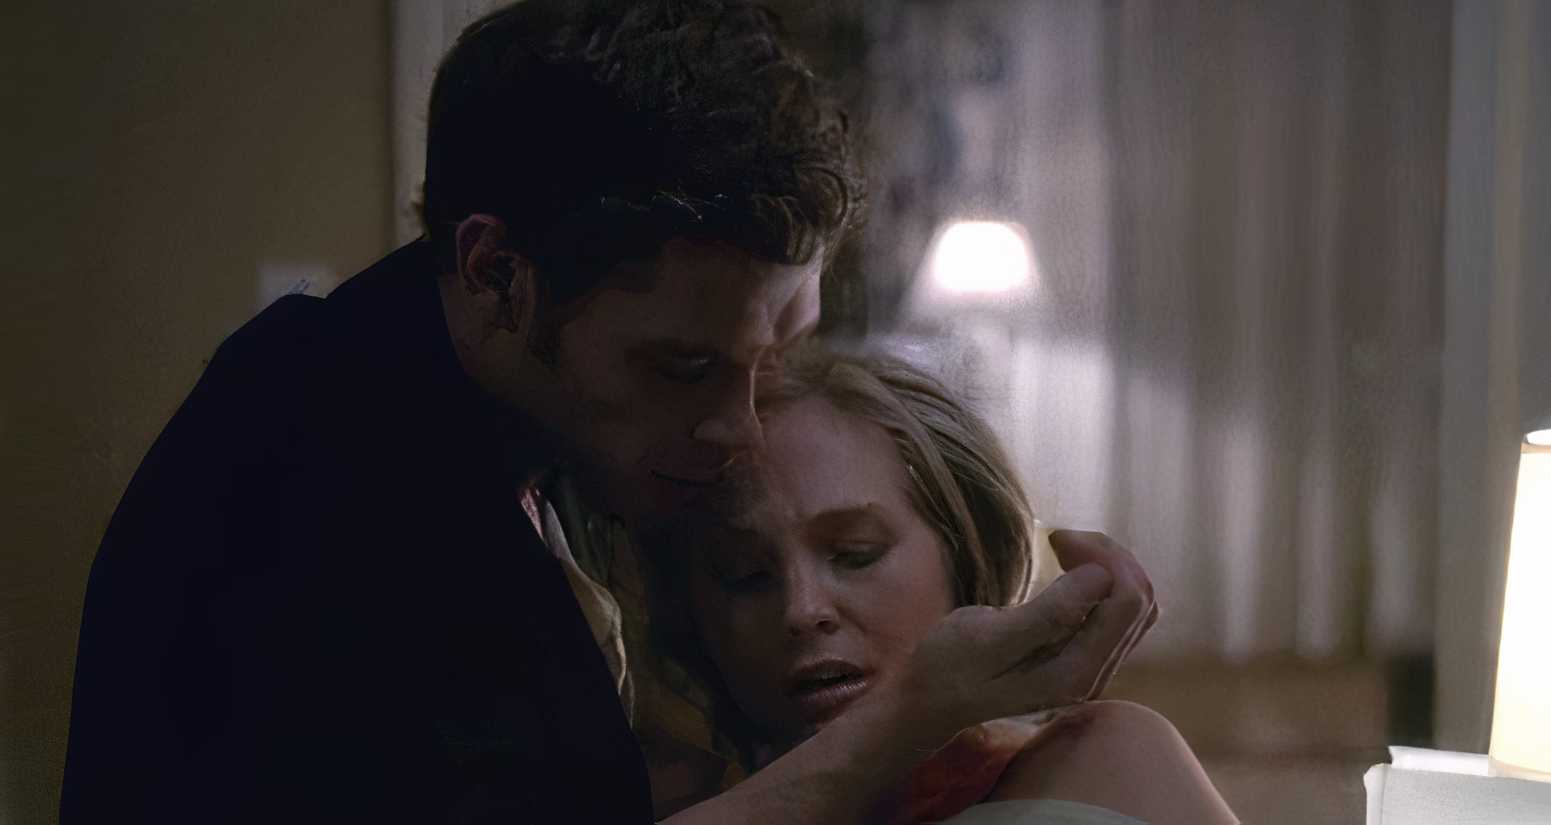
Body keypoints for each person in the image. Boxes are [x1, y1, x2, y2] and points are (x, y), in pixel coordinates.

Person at [60, 2, 1156, 823]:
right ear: (496, 274)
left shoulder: (524, 429)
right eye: (683, 367)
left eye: (778, 350)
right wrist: (911, 713)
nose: (740, 431)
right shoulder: (322, 477)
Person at [636, 344, 1234, 824]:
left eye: (854, 554)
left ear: (964, 554)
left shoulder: (1103, 761)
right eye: (745, 575)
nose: (801, 609)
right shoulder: (652, 798)